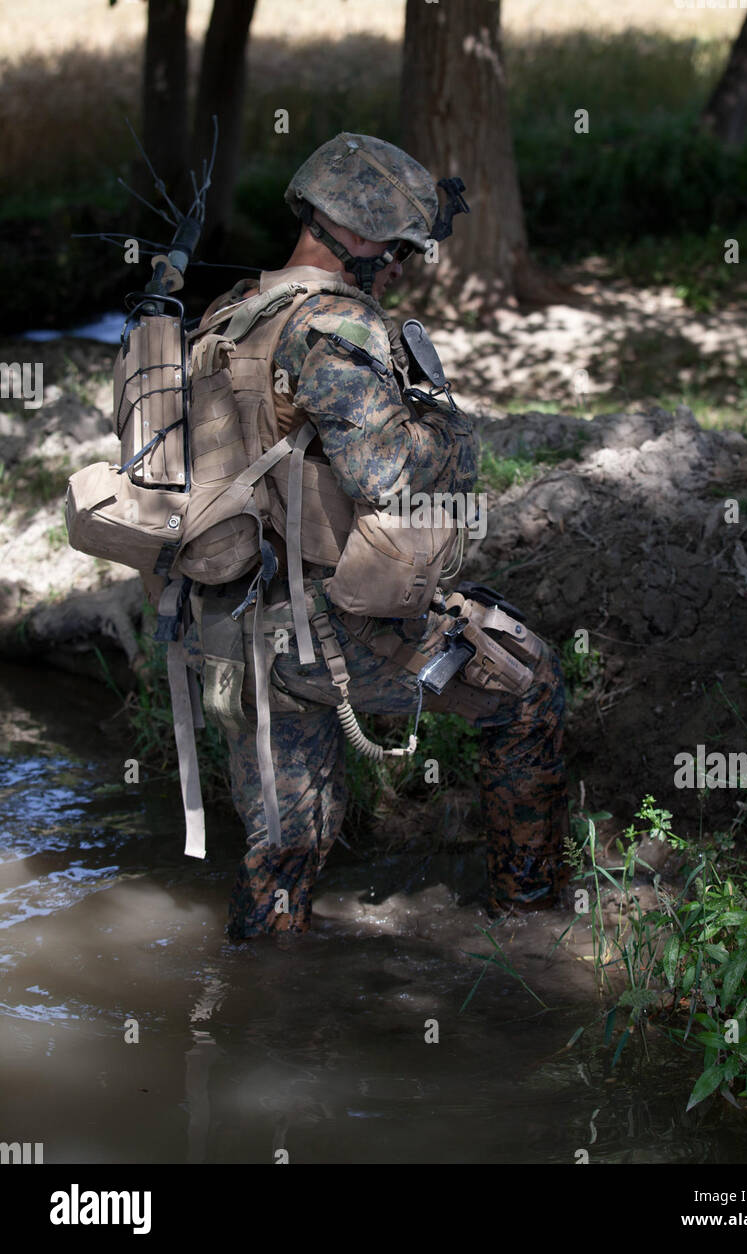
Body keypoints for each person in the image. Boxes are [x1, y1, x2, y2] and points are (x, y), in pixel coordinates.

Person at [183, 132, 569, 940]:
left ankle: (253, 1008)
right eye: (395, 250)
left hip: (231, 624)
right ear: (353, 233)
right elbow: (390, 474)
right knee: (528, 683)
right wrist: (451, 428)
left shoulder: (232, 315)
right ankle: (529, 925)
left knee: (285, 849)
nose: (399, 268)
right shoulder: (332, 328)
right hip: (331, 629)